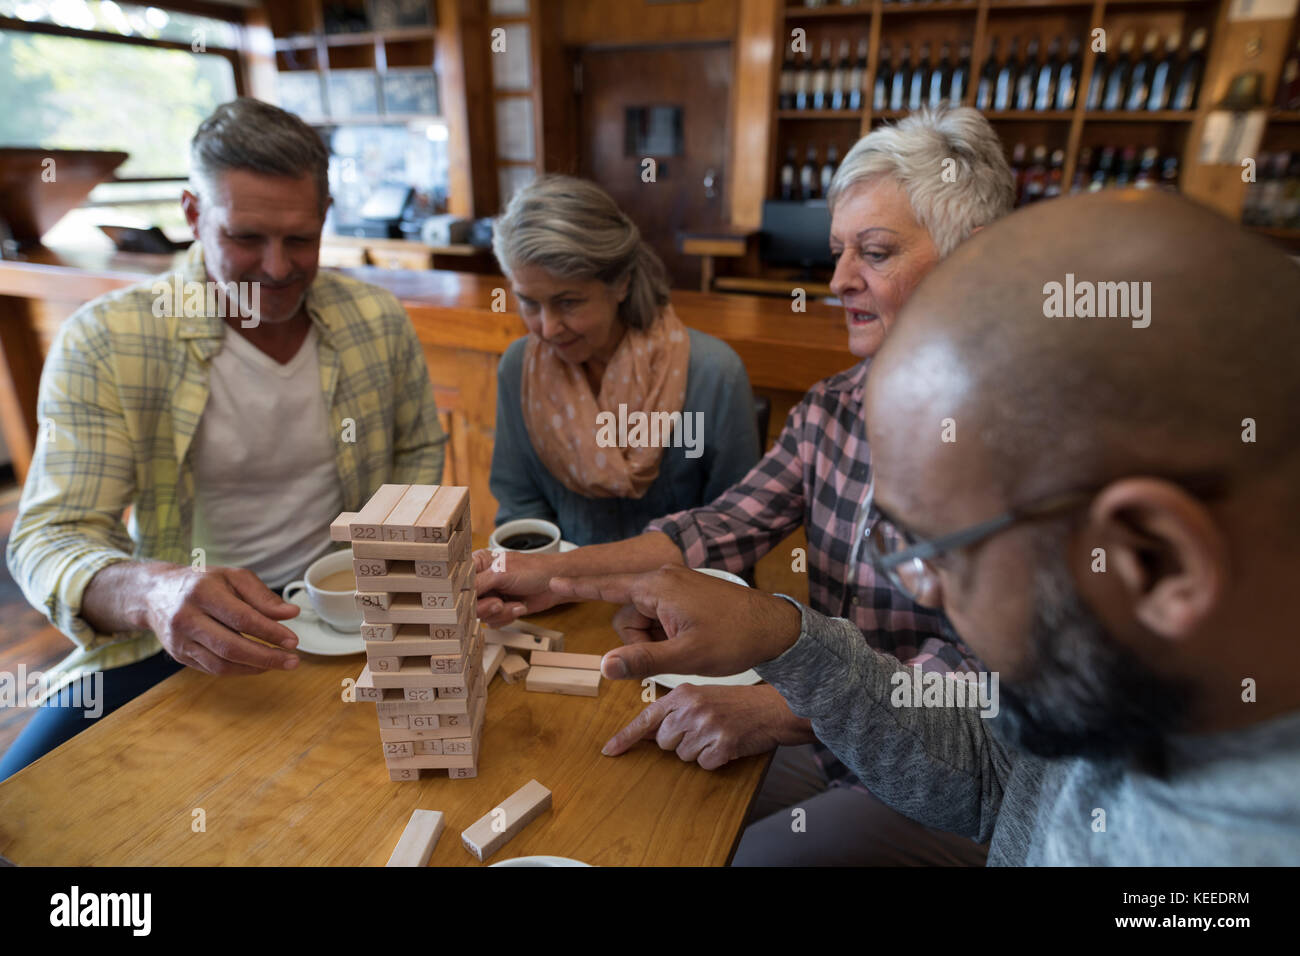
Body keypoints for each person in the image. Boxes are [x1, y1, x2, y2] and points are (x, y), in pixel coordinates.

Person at [547, 189, 1300, 865]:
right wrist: (787, 638)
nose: (918, 584)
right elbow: (992, 775)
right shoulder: (1118, 692)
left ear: (1156, 559)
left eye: (936, 549)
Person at [476, 108, 1014, 864]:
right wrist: (553, 571)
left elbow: (979, 692)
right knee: (634, 803)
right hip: (829, 739)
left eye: (876, 252)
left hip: (950, 786)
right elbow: (715, 528)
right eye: (837, 252)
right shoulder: (833, 407)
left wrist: (771, 706)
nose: (837, 280)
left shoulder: (1033, 434)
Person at [1, 98, 446, 780]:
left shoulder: (374, 318)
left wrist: (389, 575)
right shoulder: (109, 340)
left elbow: (418, 451)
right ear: (191, 214)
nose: (275, 269)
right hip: (177, 626)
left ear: (325, 216)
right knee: (20, 797)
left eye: (300, 240)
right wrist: (153, 592)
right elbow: (48, 536)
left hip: (351, 605)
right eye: (245, 238)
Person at [488, 175, 760, 546]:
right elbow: (520, 504)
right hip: (558, 586)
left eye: (569, 302)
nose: (548, 329)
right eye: (529, 303)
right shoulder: (519, 367)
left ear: (621, 284)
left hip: (683, 593)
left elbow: (736, 525)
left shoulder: (711, 375)